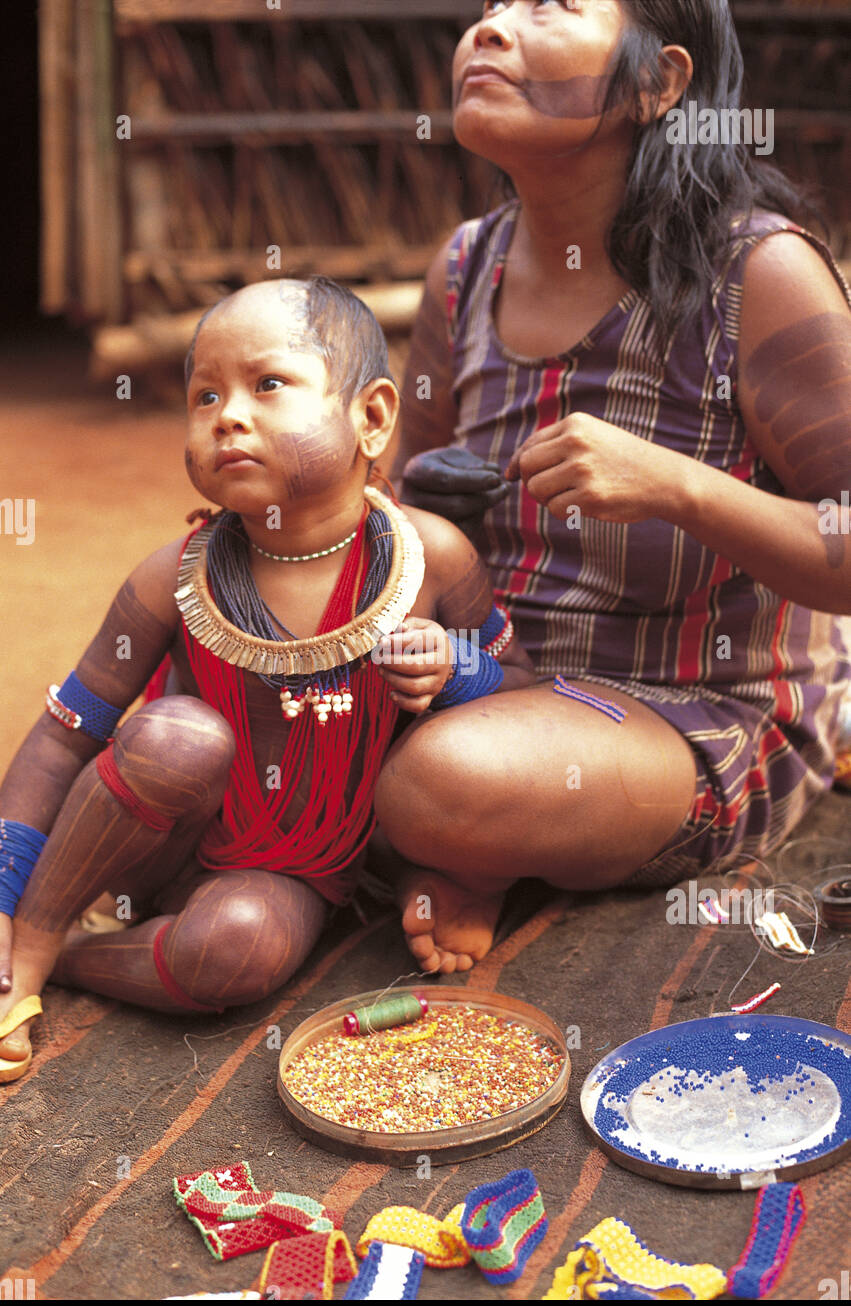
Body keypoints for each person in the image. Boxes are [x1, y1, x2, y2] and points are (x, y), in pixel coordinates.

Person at [372, 0, 851, 974]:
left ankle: (473, 835)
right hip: (477, 676)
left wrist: (677, 486)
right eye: (489, 8)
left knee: (437, 783)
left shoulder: (757, 275)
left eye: (546, 6)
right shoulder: (464, 269)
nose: (490, 29)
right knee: (210, 713)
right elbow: (403, 511)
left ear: (657, 83)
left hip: (693, 712)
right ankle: (485, 839)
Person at [0, 276, 534, 1080]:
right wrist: (5, 899)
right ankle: (26, 959)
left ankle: (78, 955)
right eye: (204, 395)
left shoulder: (432, 562)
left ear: (373, 416)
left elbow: (525, 698)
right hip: (153, 838)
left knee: (236, 951)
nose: (228, 416)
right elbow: (64, 735)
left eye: (268, 384)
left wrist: (459, 671)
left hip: (292, 868)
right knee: (176, 735)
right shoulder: (173, 577)